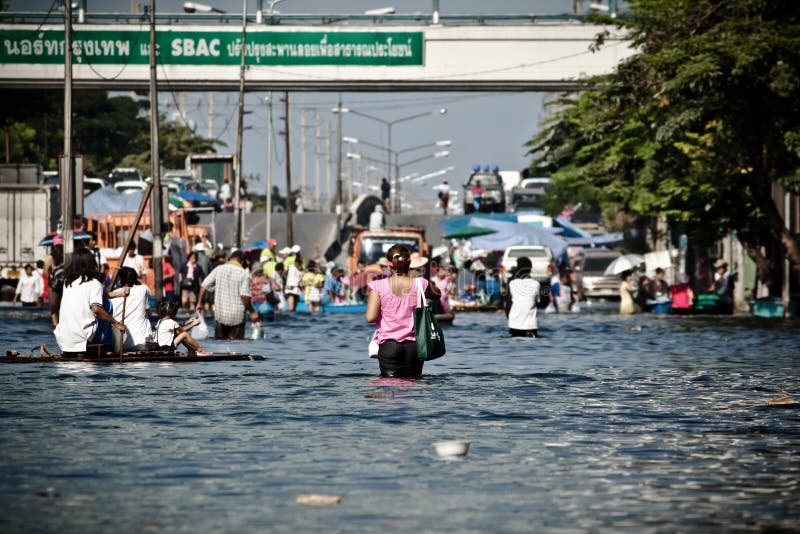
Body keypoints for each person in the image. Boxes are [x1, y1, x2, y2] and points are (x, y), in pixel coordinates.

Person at [365, 245, 440, 378]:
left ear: (389, 265)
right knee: (413, 387)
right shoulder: (420, 284)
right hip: (415, 346)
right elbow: (437, 294)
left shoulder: (378, 286)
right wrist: (423, 279)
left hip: (389, 346)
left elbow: (370, 317)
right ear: (409, 263)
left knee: (390, 389)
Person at [53, 248, 127, 357]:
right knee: (106, 305)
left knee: (100, 302)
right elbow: (96, 308)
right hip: (83, 337)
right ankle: (106, 346)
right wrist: (116, 323)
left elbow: (98, 293)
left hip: (63, 339)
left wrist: (119, 293)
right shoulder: (94, 282)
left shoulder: (68, 282)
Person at [196, 249, 259, 340]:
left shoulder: (218, 269)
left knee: (220, 346)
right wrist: (252, 312)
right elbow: (245, 297)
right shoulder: (243, 274)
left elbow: (204, 285)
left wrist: (199, 303)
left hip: (221, 315)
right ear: (241, 261)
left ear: (230, 258)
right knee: (237, 348)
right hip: (237, 317)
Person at [109, 266, 152, 353]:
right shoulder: (143, 289)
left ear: (120, 280)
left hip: (121, 346)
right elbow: (142, 283)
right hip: (142, 344)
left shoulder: (111, 296)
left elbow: (106, 293)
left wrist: (116, 275)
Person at [505, 257, 541, 337]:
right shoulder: (536, 284)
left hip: (514, 325)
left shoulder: (512, 284)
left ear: (518, 269)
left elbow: (508, 305)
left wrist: (512, 321)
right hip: (531, 326)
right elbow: (537, 303)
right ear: (530, 269)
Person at [44, 236, 64, 327]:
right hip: (54, 285)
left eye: (60, 245)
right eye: (57, 245)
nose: (59, 247)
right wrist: (52, 278)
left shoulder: (66, 256)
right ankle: (55, 324)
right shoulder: (51, 257)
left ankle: (61, 323)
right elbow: (46, 271)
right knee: (54, 306)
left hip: (64, 283)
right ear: (54, 246)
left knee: (63, 305)